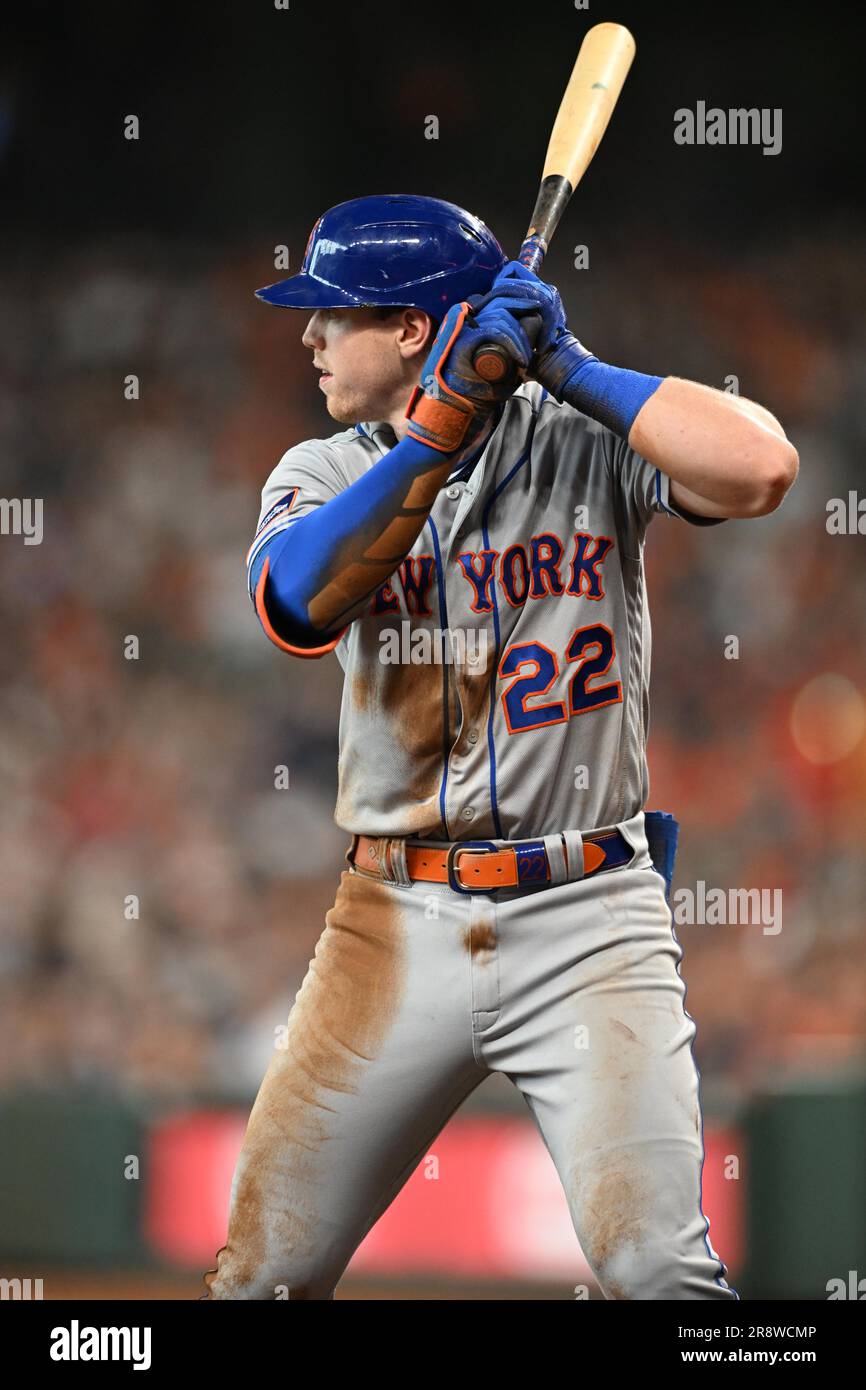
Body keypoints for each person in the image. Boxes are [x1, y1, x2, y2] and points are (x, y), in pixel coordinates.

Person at [202, 194, 798, 1300]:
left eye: (335, 313)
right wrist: (435, 429)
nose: (308, 337)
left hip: (587, 916)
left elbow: (759, 468)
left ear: (414, 329)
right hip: (390, 920)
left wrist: (570, 366)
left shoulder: (583, 439)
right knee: (259, 1280)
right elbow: (296, 603)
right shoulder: (322, 469)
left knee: (659, 1271)